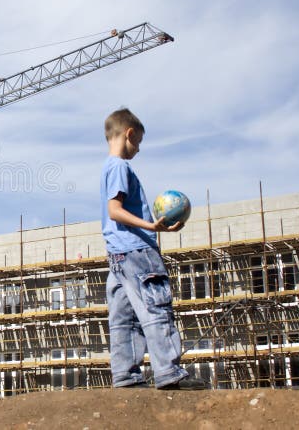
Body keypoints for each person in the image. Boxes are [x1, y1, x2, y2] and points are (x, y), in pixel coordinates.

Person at [100, 108, 206, 390]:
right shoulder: (121, 167)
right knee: (156, 309)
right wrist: (151, 227)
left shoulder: (107, 168)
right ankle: (168, 371)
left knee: (125, 320)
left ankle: (125, 376)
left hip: (117, 257)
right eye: (139, 143)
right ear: (129, 134)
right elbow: (115, 210)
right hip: (137, 252)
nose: (138, 150)